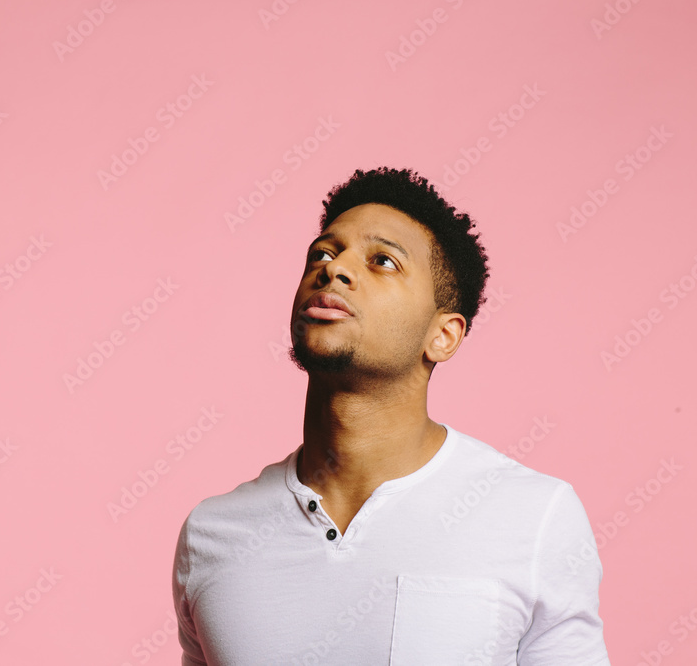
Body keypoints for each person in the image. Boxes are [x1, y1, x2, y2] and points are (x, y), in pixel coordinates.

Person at [171, 167, 610, 665]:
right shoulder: (212, 535)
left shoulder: (533, 517)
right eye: (323, 252)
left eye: (382, 261)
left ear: (442, 335)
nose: (334, 270)